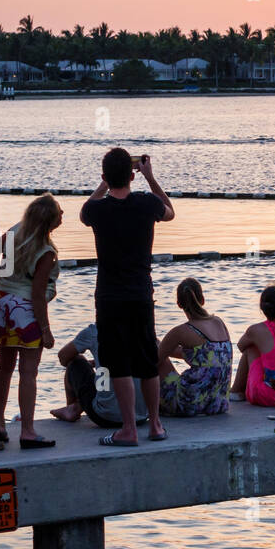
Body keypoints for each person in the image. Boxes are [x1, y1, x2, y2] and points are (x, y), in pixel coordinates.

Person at [79, 147, 173, 447]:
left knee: (117, 363)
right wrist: (150, 178)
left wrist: (105, 184)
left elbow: (83, 212)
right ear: (132, 175)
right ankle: (155, 425)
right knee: (147, 360)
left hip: (109, 297)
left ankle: (129, 428)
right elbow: (169, 211)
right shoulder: (147, 204)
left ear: (105, 176)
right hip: (141, 294)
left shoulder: (98, 209)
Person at [0, 193, 62, 449]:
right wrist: (46, 330)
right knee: (28, 372)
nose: (63, 214)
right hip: (24, 310)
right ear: (50, 221)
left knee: (4, 366)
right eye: (60, 212)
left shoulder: (13, 233)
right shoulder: (45, 250)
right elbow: (37, 295)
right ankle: (28, 431)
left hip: (1, 303)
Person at [157, 277, 232, 418]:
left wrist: (158, 345)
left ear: (179, 304)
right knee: (159, 347)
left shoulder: (180, 331)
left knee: (153, 352)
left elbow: (152, 363)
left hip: (189, 404)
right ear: (202, 299)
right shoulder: (219, 322)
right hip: (217, 403)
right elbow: (205, 356)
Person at [50, 323, 149, 428]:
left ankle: (72, 408)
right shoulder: (142, 329)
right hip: (141, 417)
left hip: (106, 417)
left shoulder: (95, 331)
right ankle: (77, 406)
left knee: (76, 362)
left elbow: (63, 357)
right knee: (107, 373)